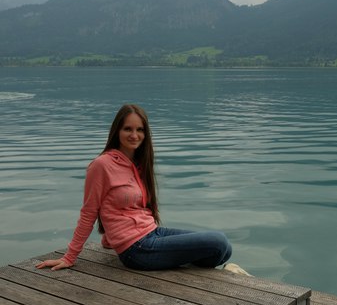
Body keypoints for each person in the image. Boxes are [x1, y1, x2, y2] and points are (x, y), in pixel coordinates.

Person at [36, 103, 232, 272]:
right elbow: (89, 212)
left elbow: (125, 207)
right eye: (128, 129)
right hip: (137, 250)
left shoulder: (139, 163)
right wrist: (70, 257)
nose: (134, 135)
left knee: (225, 249)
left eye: (140, 130)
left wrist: (110, 237)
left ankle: (171, 257)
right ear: (117, 131)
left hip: (152, 233)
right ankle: (172, 258)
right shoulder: (101, 165)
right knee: (218, 242)